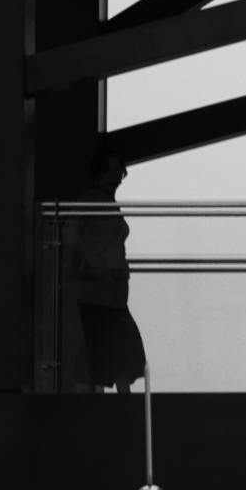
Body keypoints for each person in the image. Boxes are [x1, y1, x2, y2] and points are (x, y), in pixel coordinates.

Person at [68, 143, 148, 393]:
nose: (115, 176)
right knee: (116, 349)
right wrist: (93, 261)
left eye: (118, 171)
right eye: (110, 170)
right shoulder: (92, 199)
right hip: (99, 290)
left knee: (106, 352)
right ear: (99, 172)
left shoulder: (106, 201)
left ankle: (113, 407)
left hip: (110, 291)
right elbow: (69, 232)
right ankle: (122, 409)